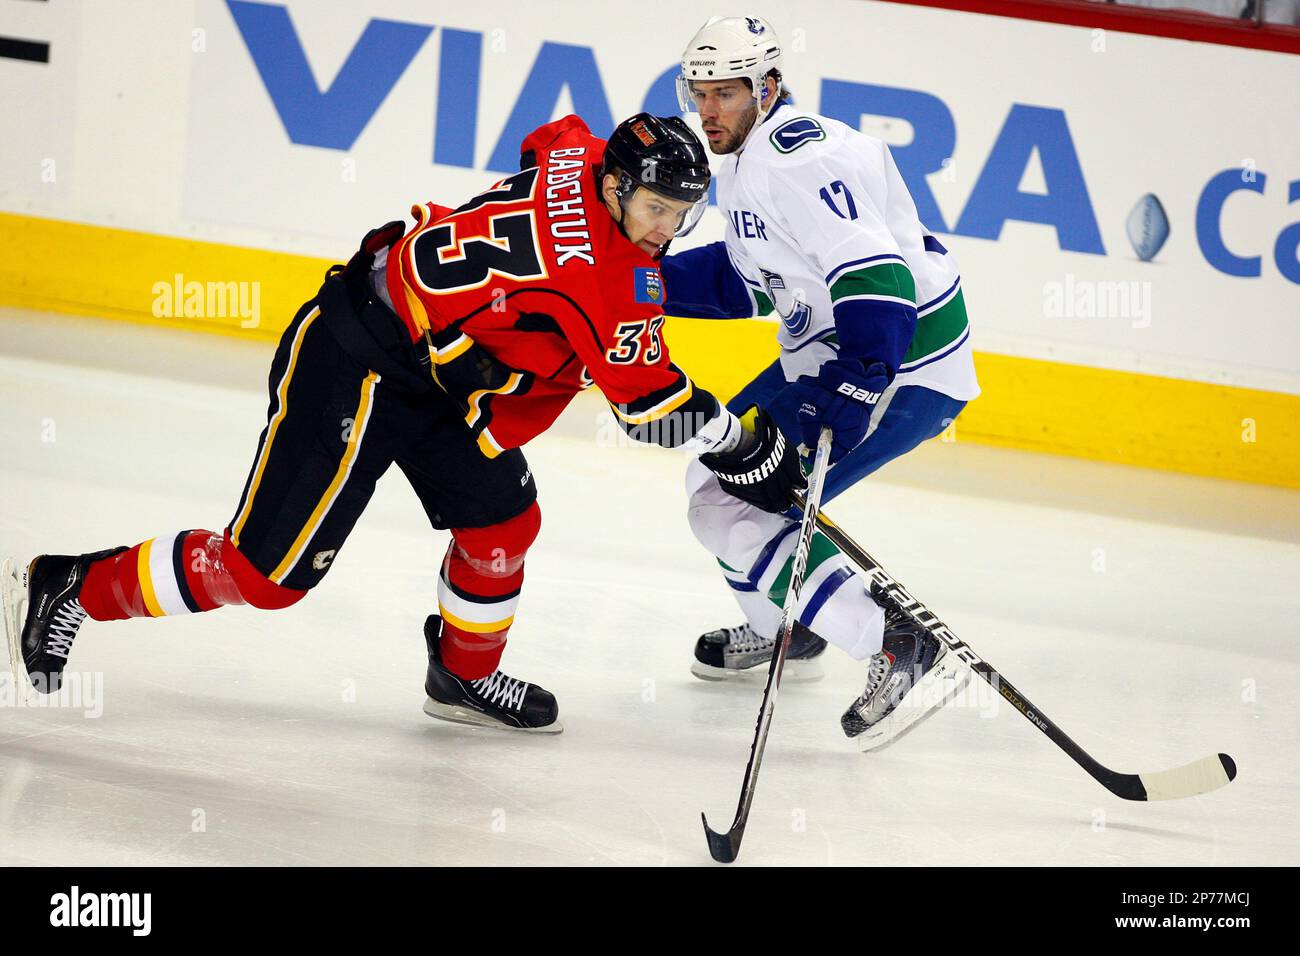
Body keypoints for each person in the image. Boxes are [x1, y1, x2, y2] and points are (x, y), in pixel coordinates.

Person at [2, 112, 803, 735]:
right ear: (615, 185)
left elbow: (547, 137)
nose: (666, 228)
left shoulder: (580, 152)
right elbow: (653, 406)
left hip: (439, 369)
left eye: (682, 212)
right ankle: (69, 584)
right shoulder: (608, 278)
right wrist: (747, 446)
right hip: (357, 356)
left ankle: (460, 675)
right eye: (657, 206)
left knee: (503, 524)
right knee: (265, 578)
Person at [661, 17, 981, 746]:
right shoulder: (747, 158)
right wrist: (637, 282)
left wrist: (861, 382)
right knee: (721, 476)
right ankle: (793, 629)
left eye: (727, 94)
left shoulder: (796, 158)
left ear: (767, 87)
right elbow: (746, 283)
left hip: (901, 362)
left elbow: (878, 278)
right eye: (699, 93)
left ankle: (891, 642)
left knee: (736, 507)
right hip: (836, 350)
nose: (708, 111)